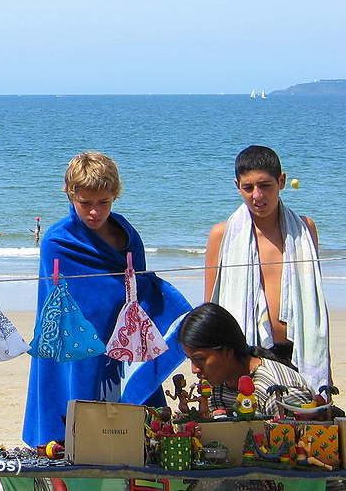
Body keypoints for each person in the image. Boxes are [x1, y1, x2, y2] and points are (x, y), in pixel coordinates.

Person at [22, 152, 191, 446]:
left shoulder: (127, 234)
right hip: (81, 344)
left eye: (104, 202)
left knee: (135, 434)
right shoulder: (56, 241)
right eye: (85, 203)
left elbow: (139, 290)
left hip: (124, 341)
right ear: (69, 194)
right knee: (78, 429)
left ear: (115, 195)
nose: (94, 212)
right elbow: (65, 306)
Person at [205, 145, 329, 390]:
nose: (257, 196)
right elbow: (211, 306)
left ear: (281, 181)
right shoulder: (222, 234)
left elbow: (315, 302)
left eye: (265, 186)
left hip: (297, 352)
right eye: (248, 187)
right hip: (248, 356)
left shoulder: (305, 229)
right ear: (237, 186)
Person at [179, 303, 315, 416]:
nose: (194, 369)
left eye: (200, 359)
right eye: (190, 359)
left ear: (228, 351)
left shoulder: (277, 391)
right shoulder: (216, 385)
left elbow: (303, 441)